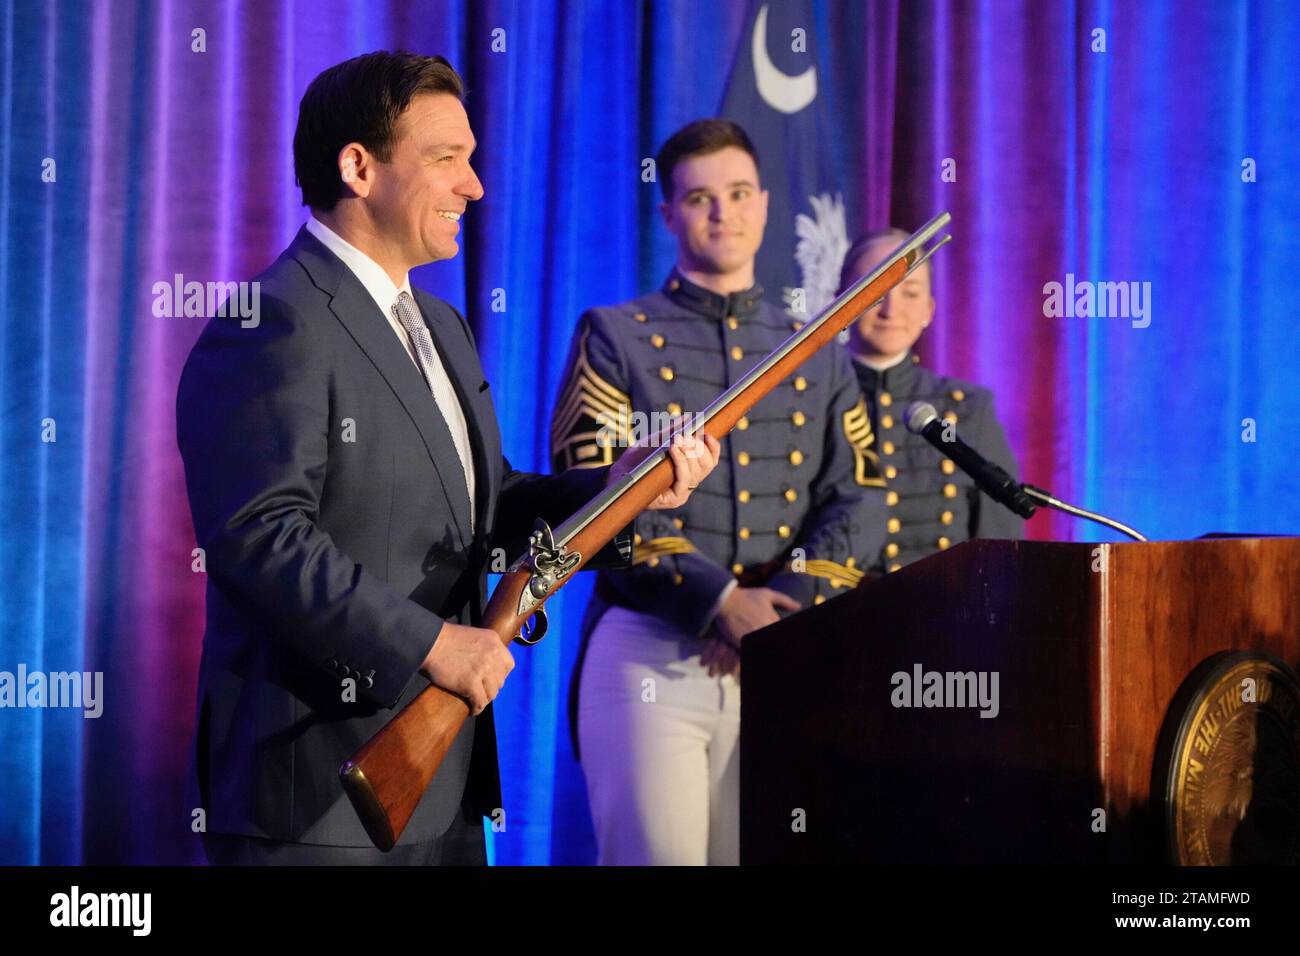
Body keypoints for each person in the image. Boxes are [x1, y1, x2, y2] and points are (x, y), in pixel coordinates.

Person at [175, 51, 719, 866]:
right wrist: (434, 645)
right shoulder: (270, 322)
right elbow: (261, 540)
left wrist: (621, 489)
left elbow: (488, 513)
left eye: (472, 160)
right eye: (448, 159)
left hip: (445, 786)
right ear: (358, 167)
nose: (475, 187)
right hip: (315, 794)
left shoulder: (440, 324)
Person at [550, 119, 887, 865]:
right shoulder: (614, 334)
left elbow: (858, 498)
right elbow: (589, 496)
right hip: (650, 650)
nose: (722, 213)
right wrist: (717, 602)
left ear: (765, 204)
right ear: (667, 213)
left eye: (737, 194)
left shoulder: (817, 350)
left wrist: (785, 604)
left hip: (784, 650)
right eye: (699, 198)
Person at [839, 228, 1023, 572]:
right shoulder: (812, 403)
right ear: (840, 300)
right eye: (876, 291)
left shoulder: (970, 409)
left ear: (928, 310)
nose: (890, 310)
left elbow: (1001, 548)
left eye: (909, 293)